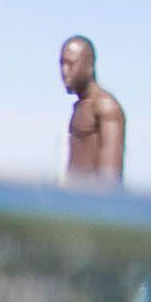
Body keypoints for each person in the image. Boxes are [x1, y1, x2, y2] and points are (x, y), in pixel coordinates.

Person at [59, 35, 125, 188]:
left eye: (71, 64)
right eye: (62, 64)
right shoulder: (80, 106)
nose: (64, 71)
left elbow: (110, 177)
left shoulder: (105, 106)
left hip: (91, 206)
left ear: (89, 65)